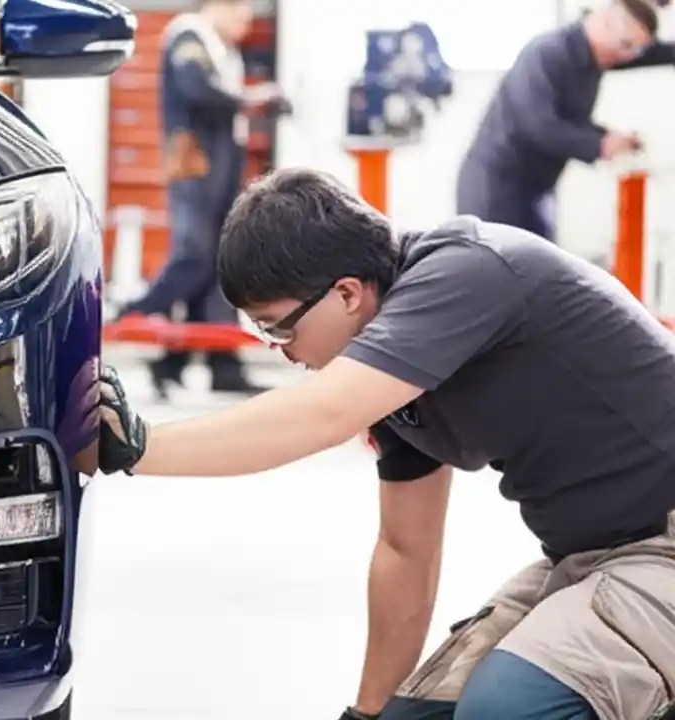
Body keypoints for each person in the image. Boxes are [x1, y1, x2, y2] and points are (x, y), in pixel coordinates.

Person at [98, 167, 675, 720]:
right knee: (416, 716)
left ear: (347, 293)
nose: (279, 349)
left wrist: (140, 446)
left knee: (509, 710)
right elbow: (407, 548)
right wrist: (368, 713)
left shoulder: (466, 272)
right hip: (590, 557)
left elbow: (325, 413)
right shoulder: (401, 384)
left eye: (278, 327)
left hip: (662, 541)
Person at [116, 0, 287, 397]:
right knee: (196, 255)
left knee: (216, 267)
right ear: (219, 6)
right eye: (242, 14)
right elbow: (196, 87)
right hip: (197, 167)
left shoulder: (221, 46)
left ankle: (205, 365)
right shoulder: (190, 36)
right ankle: (135, 312)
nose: (246, 25)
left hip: (221, 167)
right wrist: (251, 98)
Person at [456, 0, 673, 243]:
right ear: (603, 21)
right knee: (498, 274)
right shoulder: (548, 52)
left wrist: (607, 138)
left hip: (536, 190)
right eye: (626, 45)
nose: (627, 56)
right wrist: (600, 144)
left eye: (636, 51)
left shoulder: (594, 57)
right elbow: (538, 125)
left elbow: (655, 54)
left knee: (541, 273)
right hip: (497, 191)